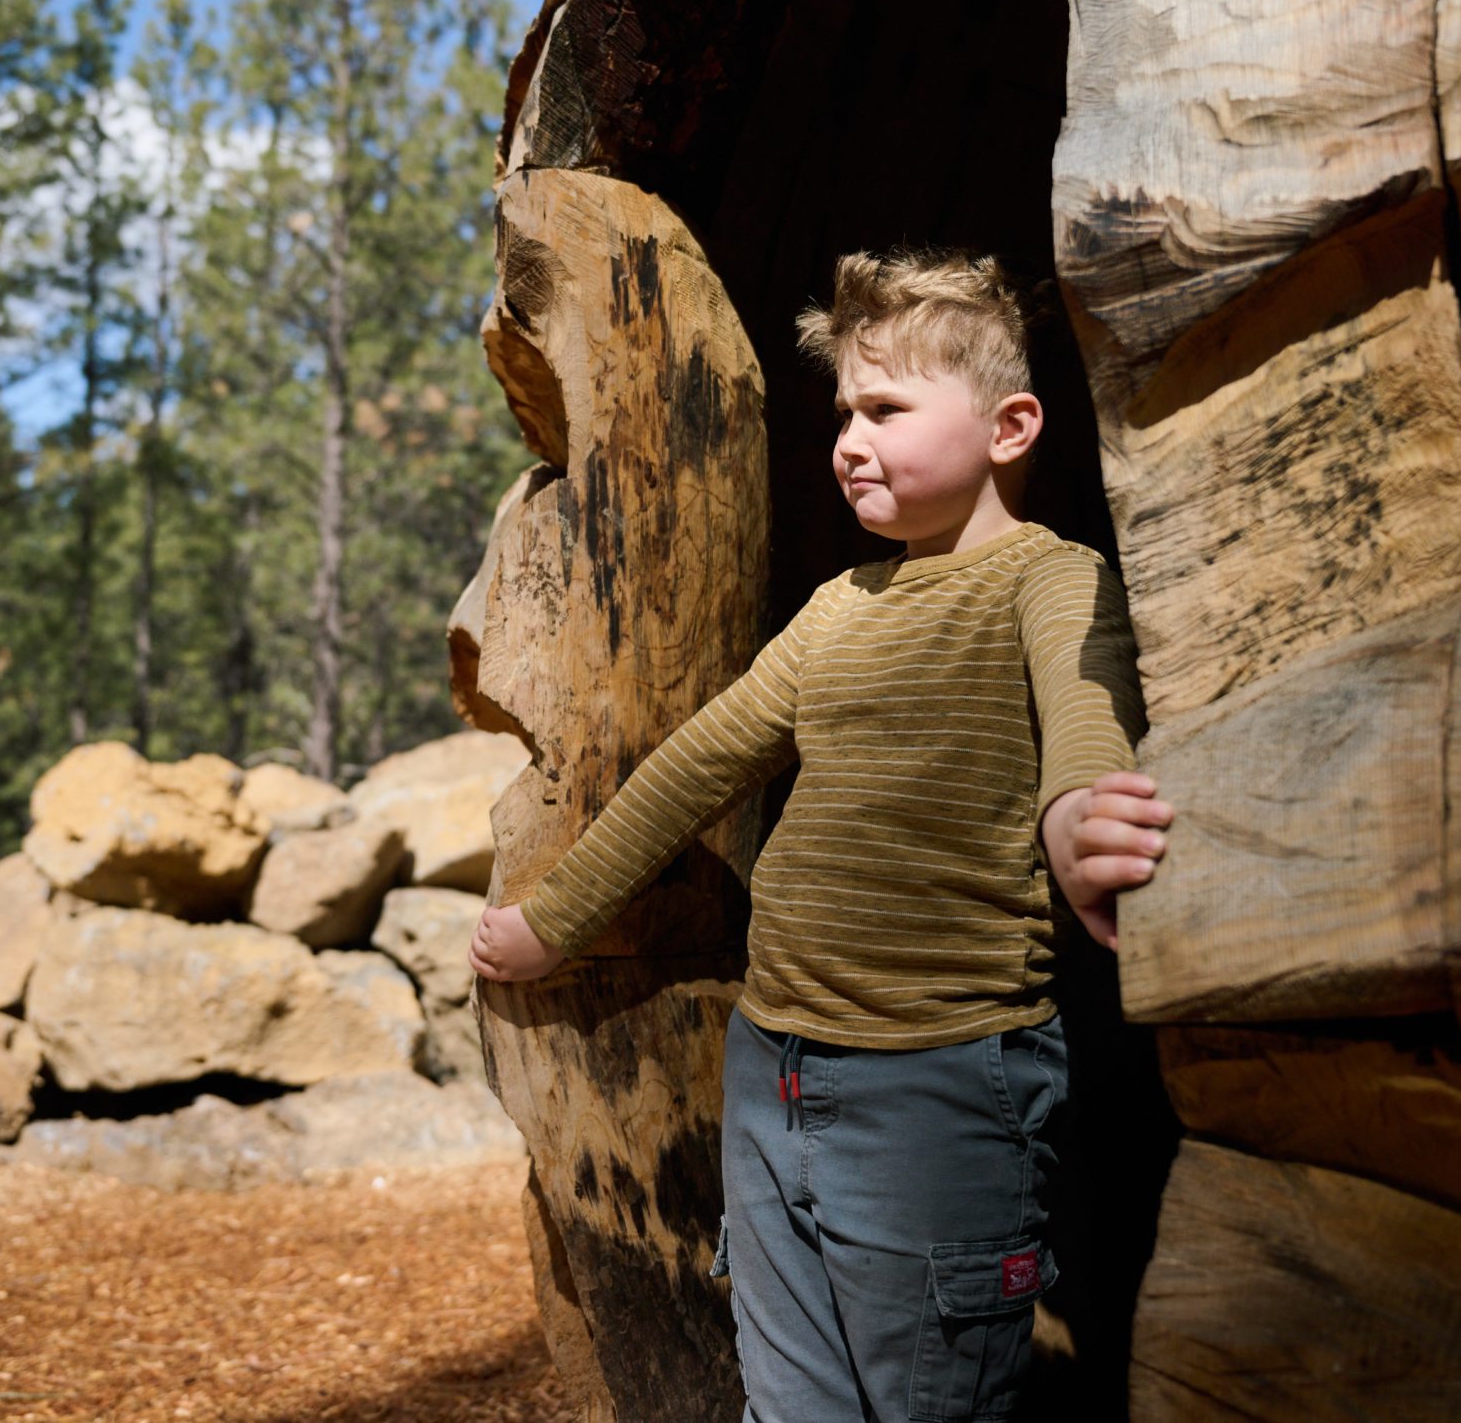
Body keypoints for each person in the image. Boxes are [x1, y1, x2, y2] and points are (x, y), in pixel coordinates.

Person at [468, 248, 1176, 1421]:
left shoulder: (1048, 581)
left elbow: (1086, 708)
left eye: (886, 408)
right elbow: (692, 765)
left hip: (941, 1086)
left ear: (1009, 426)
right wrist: (554, 923)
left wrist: (1076, 820)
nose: (849, 438)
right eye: (843, 411)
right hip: (771, 1072)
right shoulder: (838, 608)